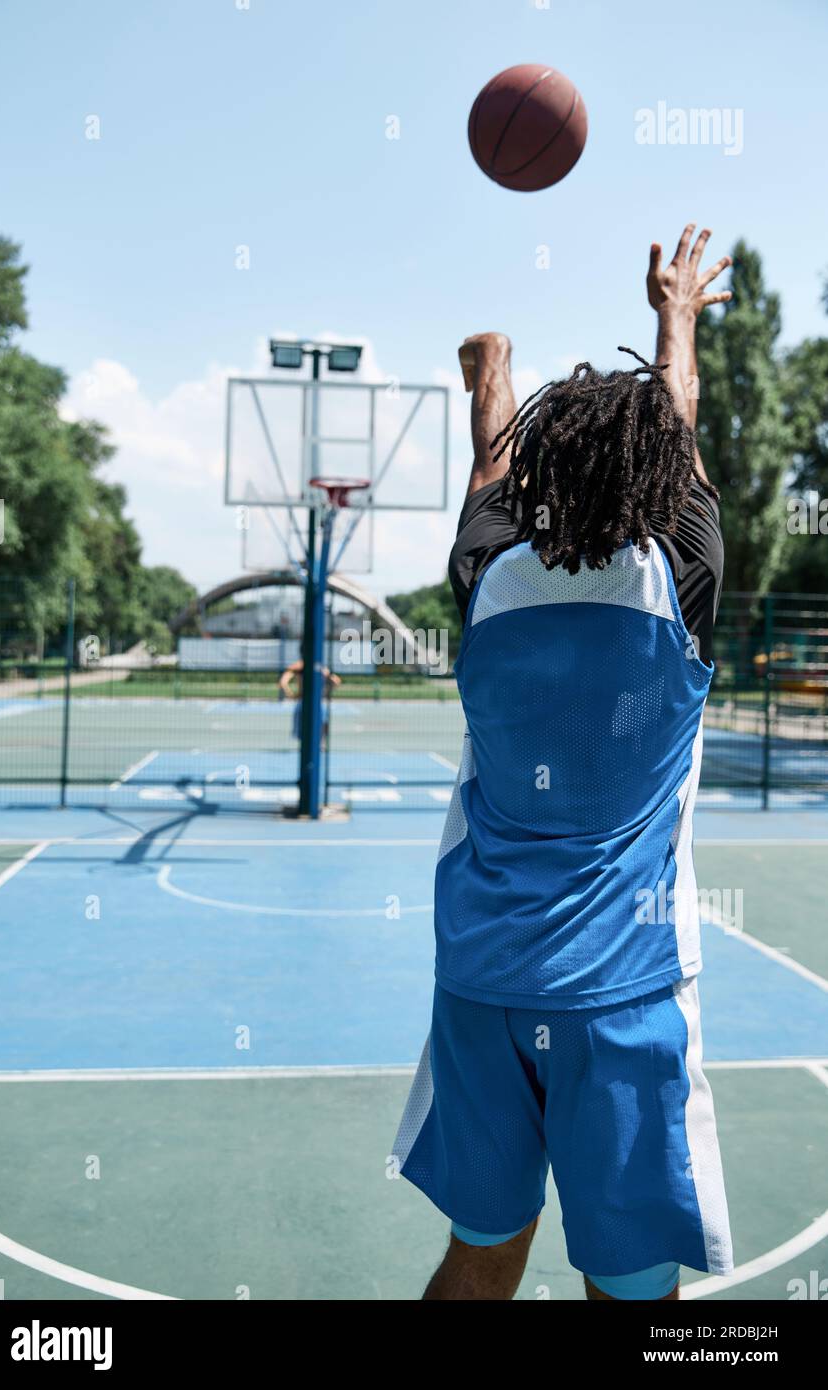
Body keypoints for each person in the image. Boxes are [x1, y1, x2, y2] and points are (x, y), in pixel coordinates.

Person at [391, 225, 735, 1302]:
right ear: (653, 483)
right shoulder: (679, 579)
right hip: (618, 996)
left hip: (484, 977)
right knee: (631, 1290)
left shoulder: (487, 577)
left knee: (483, 1253)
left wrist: (488, 375)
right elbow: (674, 429)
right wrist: (675, 313)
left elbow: (496, 467)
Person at [278, 657, 341, 744]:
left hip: (306, 700)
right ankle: (319, 743)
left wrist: (291, 694)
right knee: (319, 723)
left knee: (309, 726)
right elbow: (336, 681)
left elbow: (283, 682)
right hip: (312, 701)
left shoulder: (301, 665)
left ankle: (314, 744)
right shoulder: (315, 665)